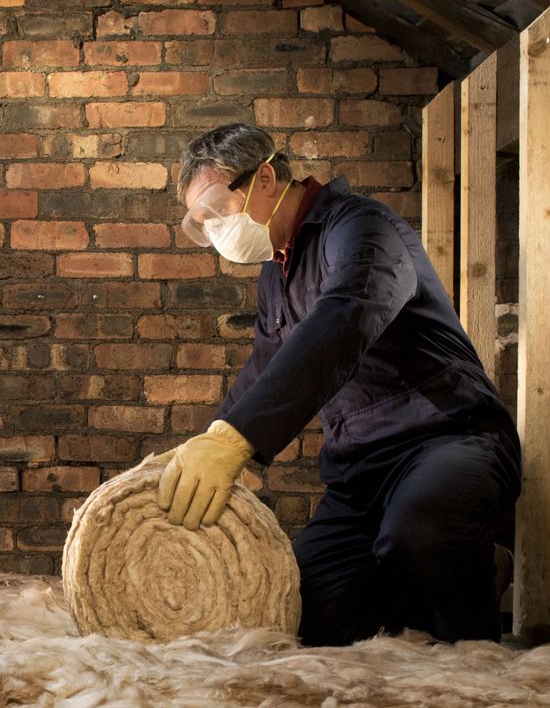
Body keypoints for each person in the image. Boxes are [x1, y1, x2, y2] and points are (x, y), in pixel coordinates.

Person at [159, 122, 521, 645]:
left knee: (422, 534)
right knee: (303, 613)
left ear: (264, 178)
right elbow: (265, 367)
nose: (215, 229)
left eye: (217, 207)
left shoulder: (362, 227)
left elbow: (347, 314)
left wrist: (237, 440)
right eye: (201, 222)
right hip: (360, 474)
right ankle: (431, 572)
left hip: (451, 439)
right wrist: (206, 442)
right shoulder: (275, 272)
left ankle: (468, 566)